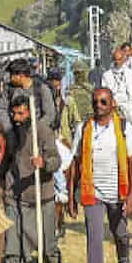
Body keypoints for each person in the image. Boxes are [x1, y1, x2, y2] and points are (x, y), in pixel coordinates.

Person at [67, 88, 132, 263]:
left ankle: (124, 260)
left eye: (103, 102)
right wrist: (71, 197)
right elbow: (75, 164)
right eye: (95, 102)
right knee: (94, 237)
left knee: (120, 231)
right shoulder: (84, 129)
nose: (98, 106)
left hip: (118, 191)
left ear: (112, 104)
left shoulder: (124, 128)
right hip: (92, 192)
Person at [0, 96, 62, 263]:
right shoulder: (11, 134)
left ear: (30, 112)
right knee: (13, 247)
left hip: (41, 197)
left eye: (21, 114)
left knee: (48, 247)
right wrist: (0, 179)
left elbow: (56, 160)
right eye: (14, 114)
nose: (17, 118)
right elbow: (7, 160)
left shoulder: (43, 131)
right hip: (15, 197)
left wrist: (44, 163)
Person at [48, 68, 82, 239]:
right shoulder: (43, 101)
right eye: (53, 81)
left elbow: (76, 122)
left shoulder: (69, 102)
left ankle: (70, 201)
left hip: (65, 141)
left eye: (57, 81)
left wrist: (73, 141)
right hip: (48, 141)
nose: (56, 84)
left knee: (73, 174)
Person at [0, 58, 56, 133]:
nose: (10, 78)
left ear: (21, 76)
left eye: (12, 75)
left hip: (37, 133)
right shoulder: (9, 89)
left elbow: (49, 114)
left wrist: (35, 130)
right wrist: (9, 131)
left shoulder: (42, 89)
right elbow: (2, 109)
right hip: (15, 132)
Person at [101, 46, 132, 138]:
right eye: (115, 60)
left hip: (128, 105)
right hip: (113, 105)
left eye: (119, 59)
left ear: (123, 59)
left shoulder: (129, 73)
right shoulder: (106, 75)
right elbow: (104, 93)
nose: (117, 62)